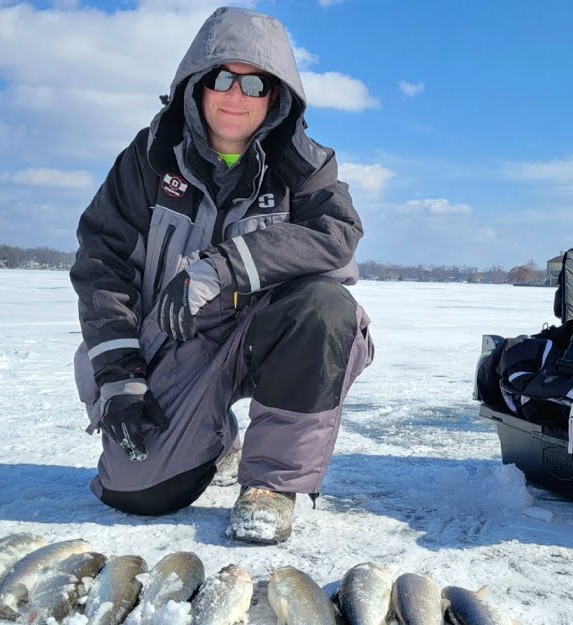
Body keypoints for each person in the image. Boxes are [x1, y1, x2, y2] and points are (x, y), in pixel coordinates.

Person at [70, 6, 373, 545]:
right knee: (140, 492)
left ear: (275, 96)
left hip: (271, 336)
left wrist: (227, 266)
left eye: (255, 83)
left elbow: (338, 234)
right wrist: (118, 375)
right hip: (177, 342)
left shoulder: (304, 165)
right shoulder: (148, 159)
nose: (237, 94)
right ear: (196, 86)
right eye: (222, 77)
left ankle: (271, 485)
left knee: (327, 307)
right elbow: (101, 264)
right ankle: (214, 439)